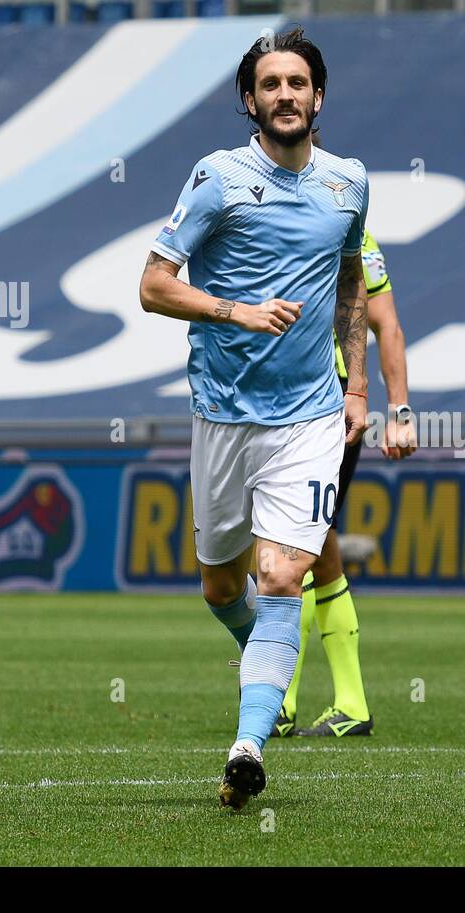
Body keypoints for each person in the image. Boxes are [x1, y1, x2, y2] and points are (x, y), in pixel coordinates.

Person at [138, 27, 369, 811]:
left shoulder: (350, 183)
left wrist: (359, 388)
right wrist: (234, 311)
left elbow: (351, 288)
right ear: (250, 100)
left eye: (297, 83)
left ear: (318, 97)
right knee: (218, 585)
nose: (285, 95)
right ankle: (266, 673)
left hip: (309, 415)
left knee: (282, 576)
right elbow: (153, 285)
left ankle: (247, 742)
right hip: (223, 415)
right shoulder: (217, 178)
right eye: (270, 84)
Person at [274, 226, 417, 739]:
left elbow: (386, 325)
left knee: (293, 541)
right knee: (316, 539)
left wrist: (399, 410)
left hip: (325, 401)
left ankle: (281, 701)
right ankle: (347, 702)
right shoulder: (255, 212)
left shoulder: (350, 233)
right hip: (275, 401)